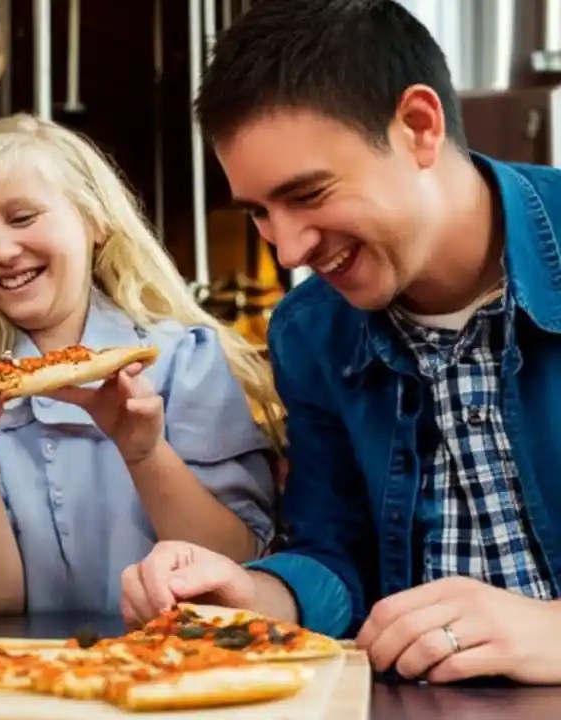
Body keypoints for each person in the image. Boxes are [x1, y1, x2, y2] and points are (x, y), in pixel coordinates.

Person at [120, 0, 561, 685]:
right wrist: (254, 597)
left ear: (418, 127)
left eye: (310, 194)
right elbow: (339, 554)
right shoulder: (309, 331)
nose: (290, 248)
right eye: (262, 212)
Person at [0, 114, 282, 617]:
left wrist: (146, 454)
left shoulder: (183, 359)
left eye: (22, 219)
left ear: (95, 221)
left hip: (179, 666)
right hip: (37, 678)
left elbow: (241, 561)